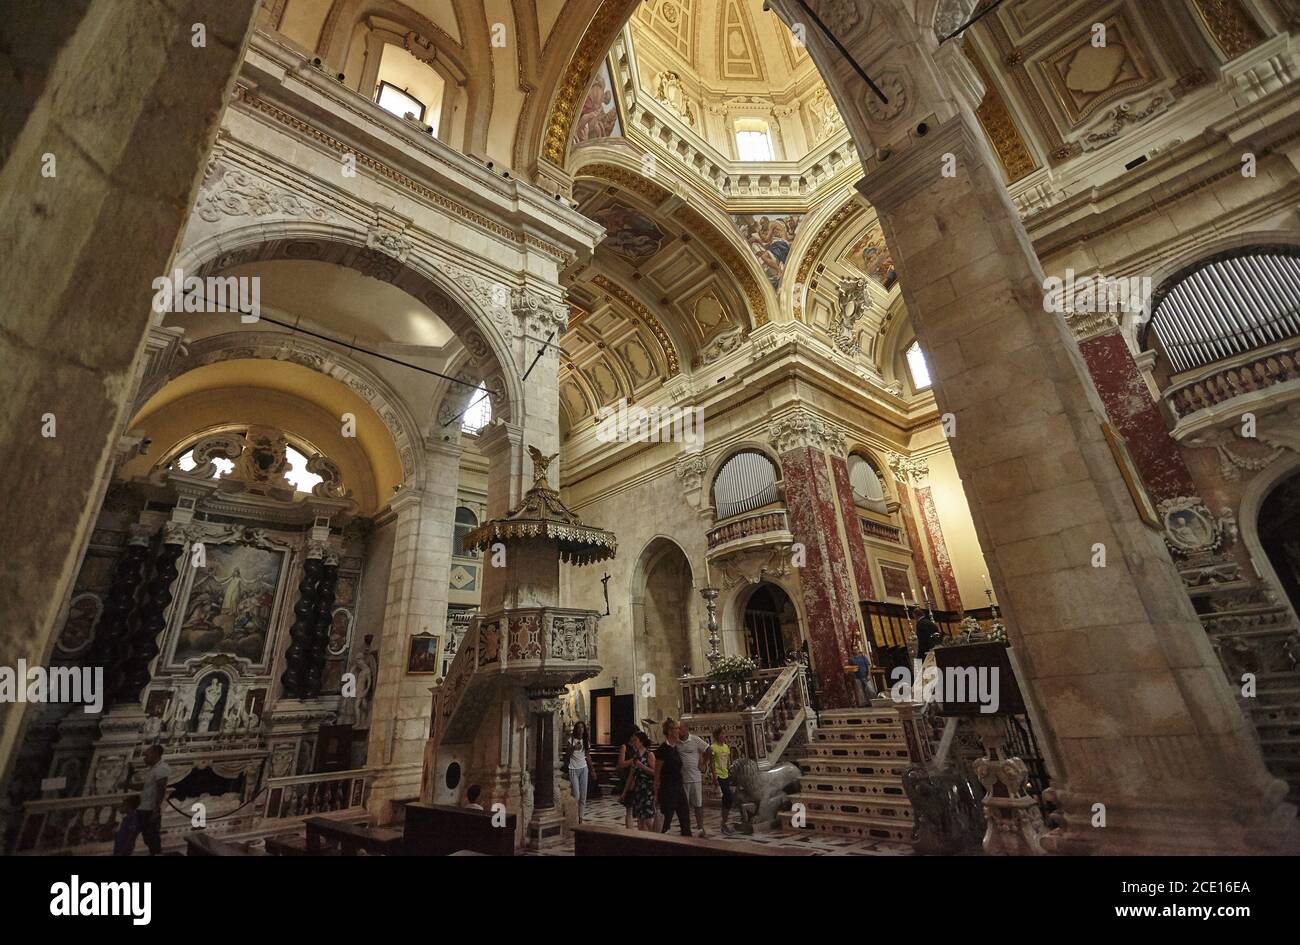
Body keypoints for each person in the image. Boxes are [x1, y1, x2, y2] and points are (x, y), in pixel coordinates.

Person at [115, 744, 170, 855]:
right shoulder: (153, 769)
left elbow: (161, 790)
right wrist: (127, 785)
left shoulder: (161, 769)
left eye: (147, 755)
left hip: (149, 810)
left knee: (152, 839)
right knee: (136, 836)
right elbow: (146, 787)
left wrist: (155, 810)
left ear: (155, 754)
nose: (144, 758)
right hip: (143, 808)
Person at [654, 718, 691, 837]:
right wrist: (656, 791)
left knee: (685, 818)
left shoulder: (675, 747)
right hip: (667, 789)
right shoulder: (662, 750)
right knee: (665, 822)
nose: (679, 730)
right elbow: (657, 772)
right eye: (676, 728)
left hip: (678, 788)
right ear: (670, 731)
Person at [675, 720, 710, 837]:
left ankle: (701, 828)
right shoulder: (676, 742)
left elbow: (708, 750)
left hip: (695, 778)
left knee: (698, 804)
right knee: (684, 807)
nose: (678, 731)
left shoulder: (695, 740)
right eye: (677, 729)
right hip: (682, 779)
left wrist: (703, 763)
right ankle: (686, 828)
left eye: (680, 728)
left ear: (686, 729)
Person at [623, 731, 657, 831]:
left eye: (635, 740)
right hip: (638, 790)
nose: (633, 742)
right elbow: (631, 775)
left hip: (647, 790)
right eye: (632, 741)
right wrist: (624, 793)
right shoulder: (635, 756)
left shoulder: (649, 755)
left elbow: (655, 772)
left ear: (641, 742)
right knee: (640, 820)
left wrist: (642, 766)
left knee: (648, 819)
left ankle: (658, 840)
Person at [706, 728, 734, 835]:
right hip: (719, 776)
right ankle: (723, 823)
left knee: (727, 800)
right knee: (728, 797)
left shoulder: (726, 747)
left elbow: (727, 762)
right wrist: (714, 777)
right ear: (717, 735)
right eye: (722, 733)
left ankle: (724, 823)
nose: (724, 735)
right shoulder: (713, 747)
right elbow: (712, 763)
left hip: (726, 775)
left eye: (724, 733)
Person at [616, 728, 645, 829]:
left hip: (638, 778)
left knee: (639, 808)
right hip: (627, 776)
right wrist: (633, 760)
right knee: (629, 808)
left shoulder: (637, 748)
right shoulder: (625, 747)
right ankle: (630, 831)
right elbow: (621, 764)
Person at [563, 721, 591, 823]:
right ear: (576, 729)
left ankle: (581, 818)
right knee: (577, 794)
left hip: (584, 768)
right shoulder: (571, 740)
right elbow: (566, 755)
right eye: (578, 728)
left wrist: (592, 770)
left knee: (583, 795)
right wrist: (574, 748)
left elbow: (587, 756)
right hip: (573, 768)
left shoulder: (586, 741)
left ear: (584, 730)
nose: (580, 730)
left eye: (582, 728)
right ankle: (573, 816)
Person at [847, 642, 877, 707]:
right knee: (860, 691)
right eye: (854, 650)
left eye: (856, 649)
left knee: (870, 689)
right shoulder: (851, 659)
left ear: (858, 650)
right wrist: (852, 674)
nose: (855, 651)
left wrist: (868, 674)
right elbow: (850, 668)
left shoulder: (863, 657)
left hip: (865, 675)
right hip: (857, 677)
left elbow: (868, 666)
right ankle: (863, 704)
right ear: (852, 651)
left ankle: (874, 701)